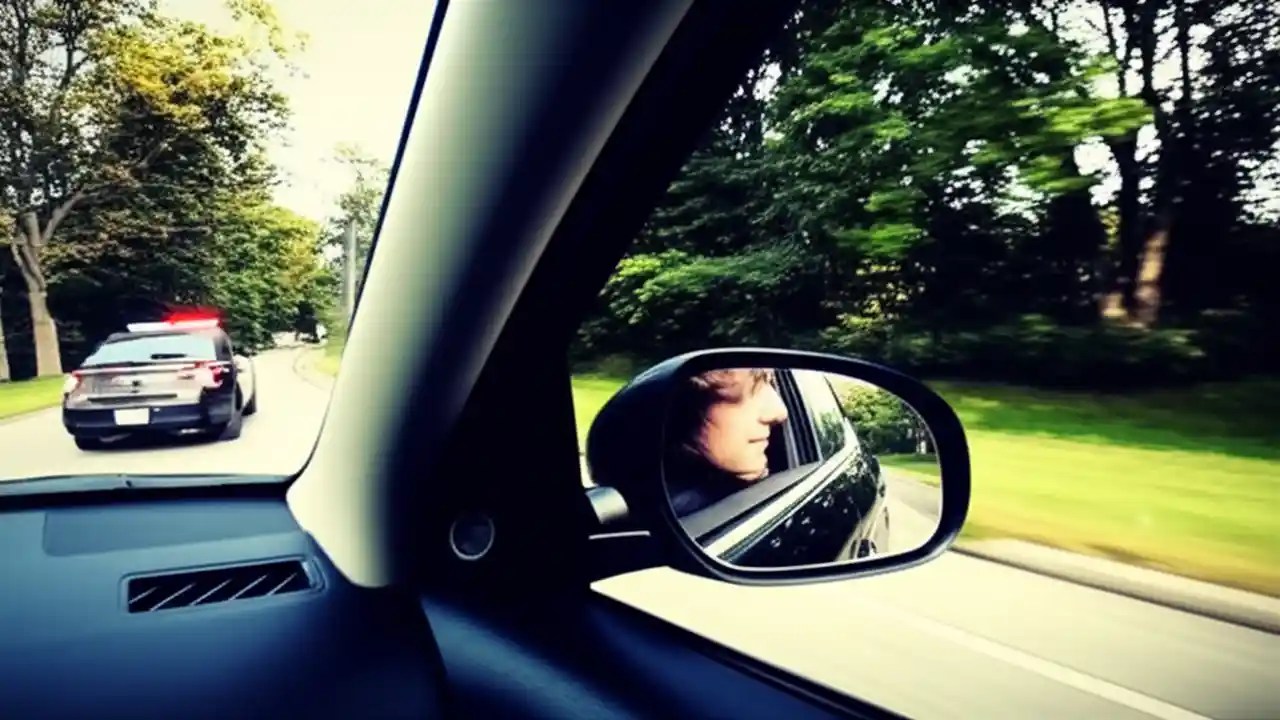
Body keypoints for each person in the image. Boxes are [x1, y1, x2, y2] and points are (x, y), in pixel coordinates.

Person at [664, 367, 789, 517]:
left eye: (770, 383)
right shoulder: (676, 504)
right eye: (739, 394)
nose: (780, 412)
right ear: (686, 407)